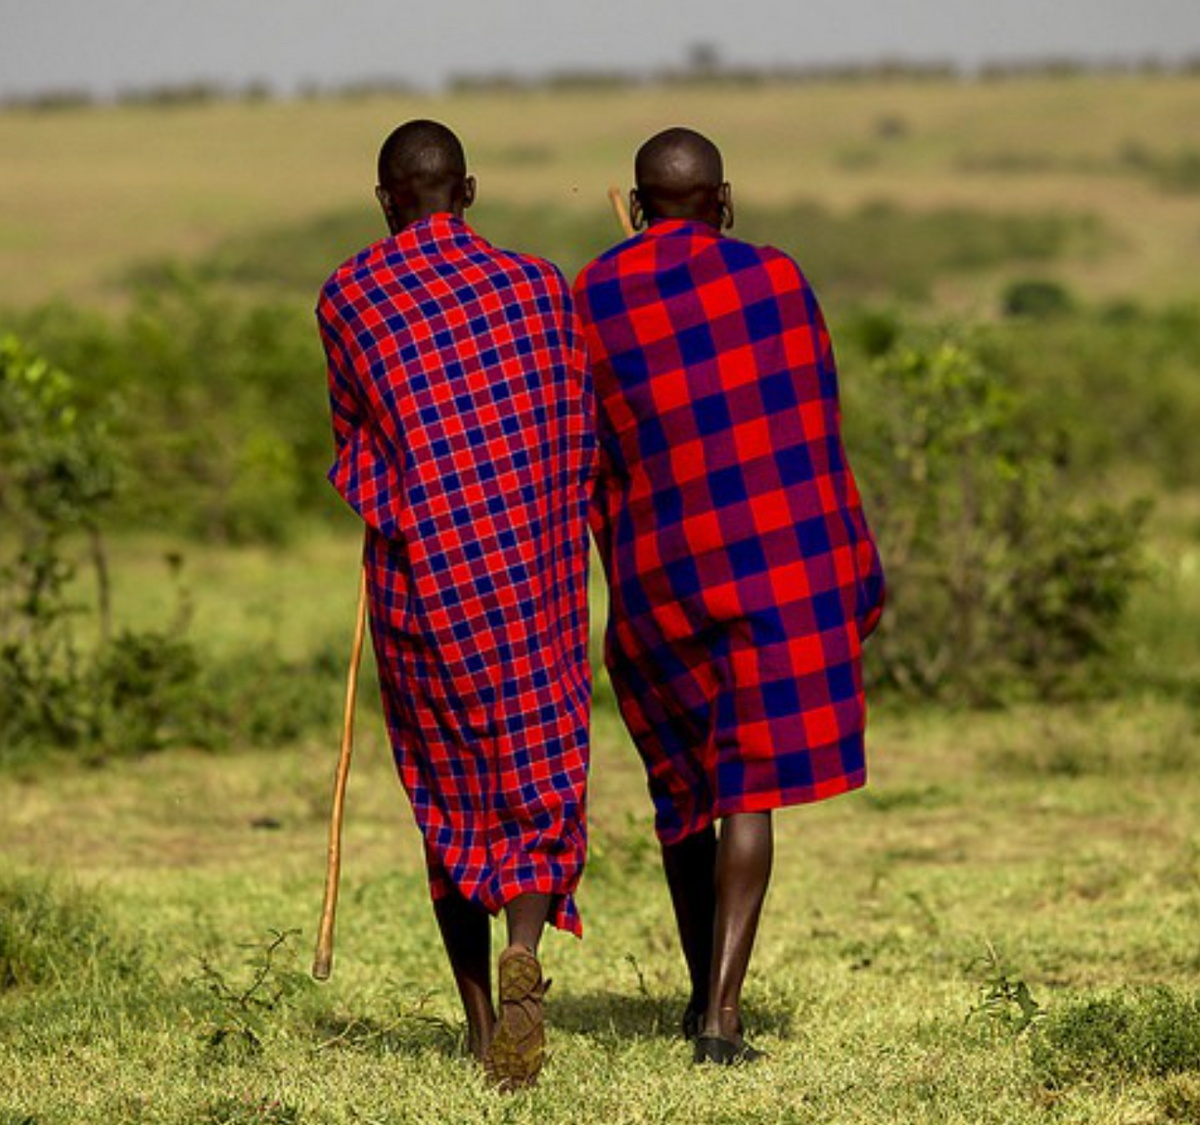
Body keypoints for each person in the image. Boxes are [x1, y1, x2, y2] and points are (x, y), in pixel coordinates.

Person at [573, 127, 884, 1065]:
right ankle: (720, 1016)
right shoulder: (780, 280)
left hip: (661, 573)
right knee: (746, 785)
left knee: (684, 788)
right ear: (726, 201)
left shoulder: (591, 293)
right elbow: (812, 427)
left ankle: (699, 991)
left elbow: (592, 452)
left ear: (633, 206)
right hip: (774, 565)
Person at [317, 119, 594, 1088]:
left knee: (447, 789)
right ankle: (527, 945)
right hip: (532, 576)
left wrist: (398, 496)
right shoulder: (537, 288)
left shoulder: (349, 295)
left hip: (422, 582)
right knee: (537, 759)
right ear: (466, 191)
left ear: (386, 199)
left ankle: (481, 1022)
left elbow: (357, 444)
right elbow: (574, 432)